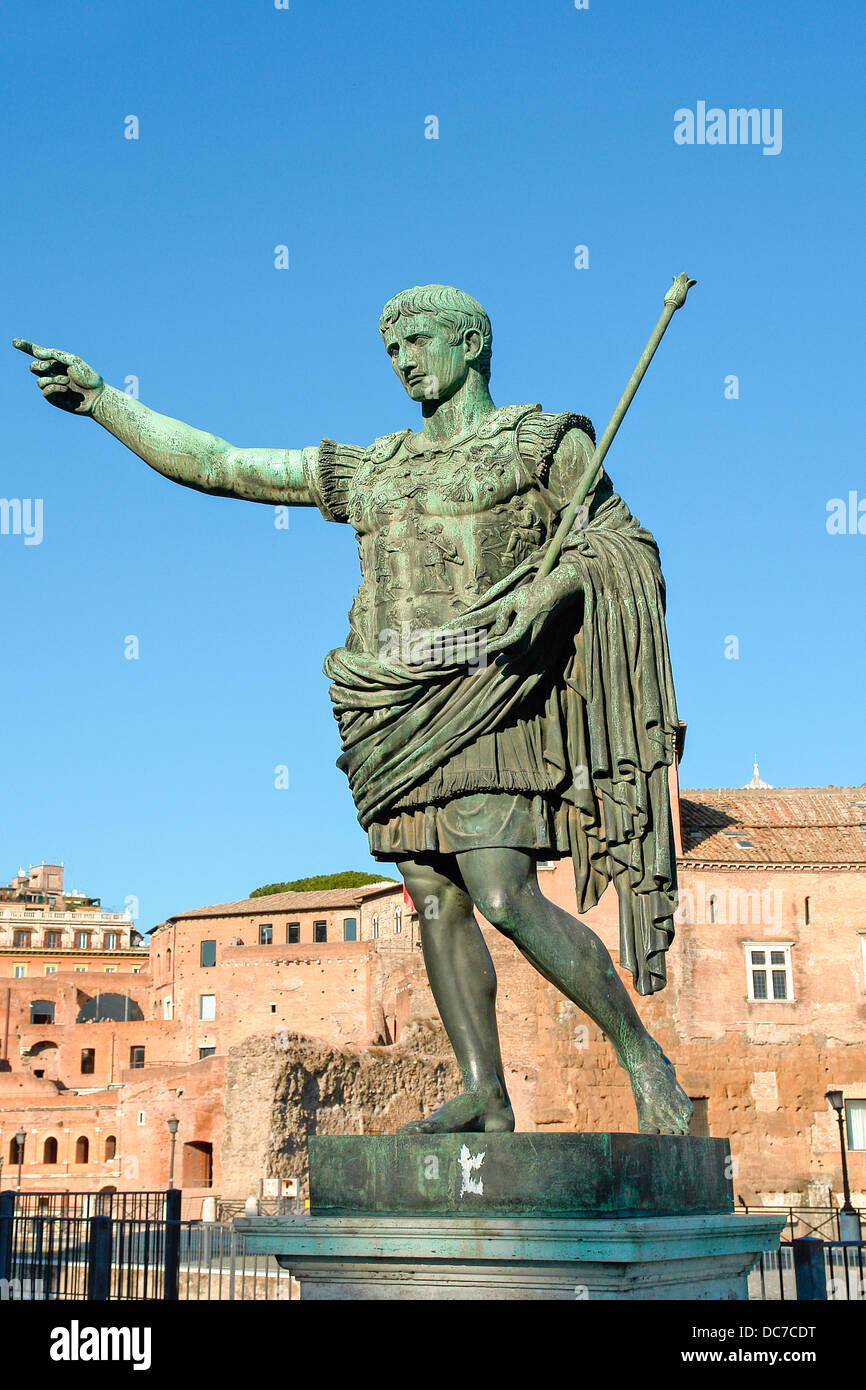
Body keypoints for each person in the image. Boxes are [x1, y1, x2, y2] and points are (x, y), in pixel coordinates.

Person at [13, 284, 692, 1135]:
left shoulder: (542, 442)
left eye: (419, 340)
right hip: (388, 700)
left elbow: (621, 545)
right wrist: (106, 403)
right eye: (393, 348)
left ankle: (641, 1056)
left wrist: (553, 589)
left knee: (502, 890)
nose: (405, 360)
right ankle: (485, 1089)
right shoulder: (373, 468)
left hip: (486, 688)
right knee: (432, 894)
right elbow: (223, 465)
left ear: (472, 342)